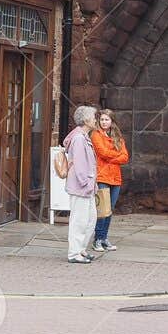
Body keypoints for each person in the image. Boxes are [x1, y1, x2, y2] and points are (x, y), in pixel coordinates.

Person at [62, 105, 99, 265]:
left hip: (87, 186)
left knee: (90, 218)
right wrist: (87, 182)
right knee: (79, 220)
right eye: (93, 117)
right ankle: (74, 253)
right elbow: (80, 164)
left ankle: (81, 249)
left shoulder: (83, 136)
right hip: (81, 187)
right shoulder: (78, 138)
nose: (96, 120)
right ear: (86, 120)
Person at [90, 108, 129, 253]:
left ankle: (104, 237)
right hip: (102, 176)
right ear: (98, 121)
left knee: (110, 209)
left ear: (112, 121)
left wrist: (113, 157)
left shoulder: (117, 136)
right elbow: (102, 152)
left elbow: (125, 157)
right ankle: (97, 239)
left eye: (107, 119)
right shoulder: (96, 135)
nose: (104, 122)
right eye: (102, 120)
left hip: (115, 177)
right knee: (102, 209)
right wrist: (116, 155)